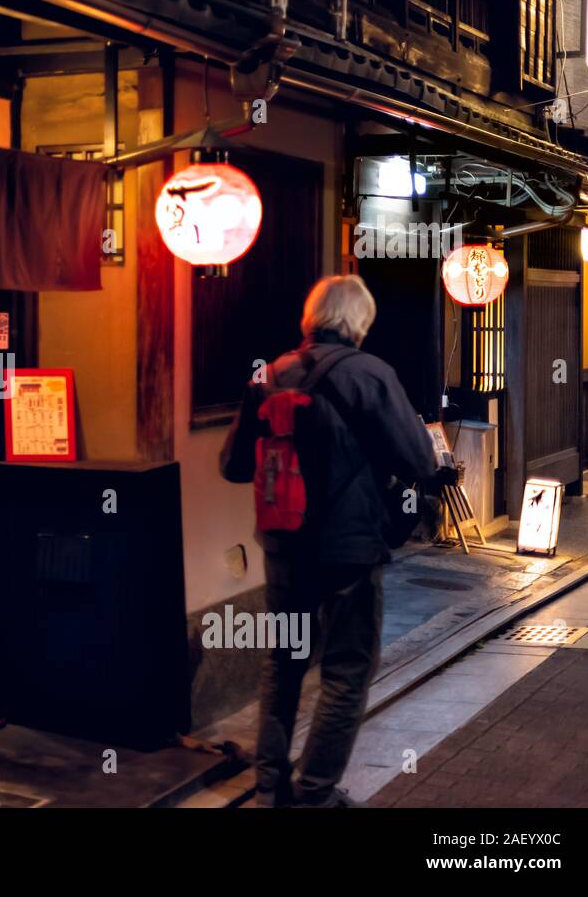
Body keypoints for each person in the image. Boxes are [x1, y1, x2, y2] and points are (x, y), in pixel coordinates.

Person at [219, 274, 439, 808]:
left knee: (284, 662)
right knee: (347, 669)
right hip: (348, 550)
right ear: (359, 322)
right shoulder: (372, 375)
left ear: (311, 316)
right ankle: (315, 791)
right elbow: (417, 461)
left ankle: (270, 787)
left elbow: (232, 465)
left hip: (283, 546)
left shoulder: (269, 375)